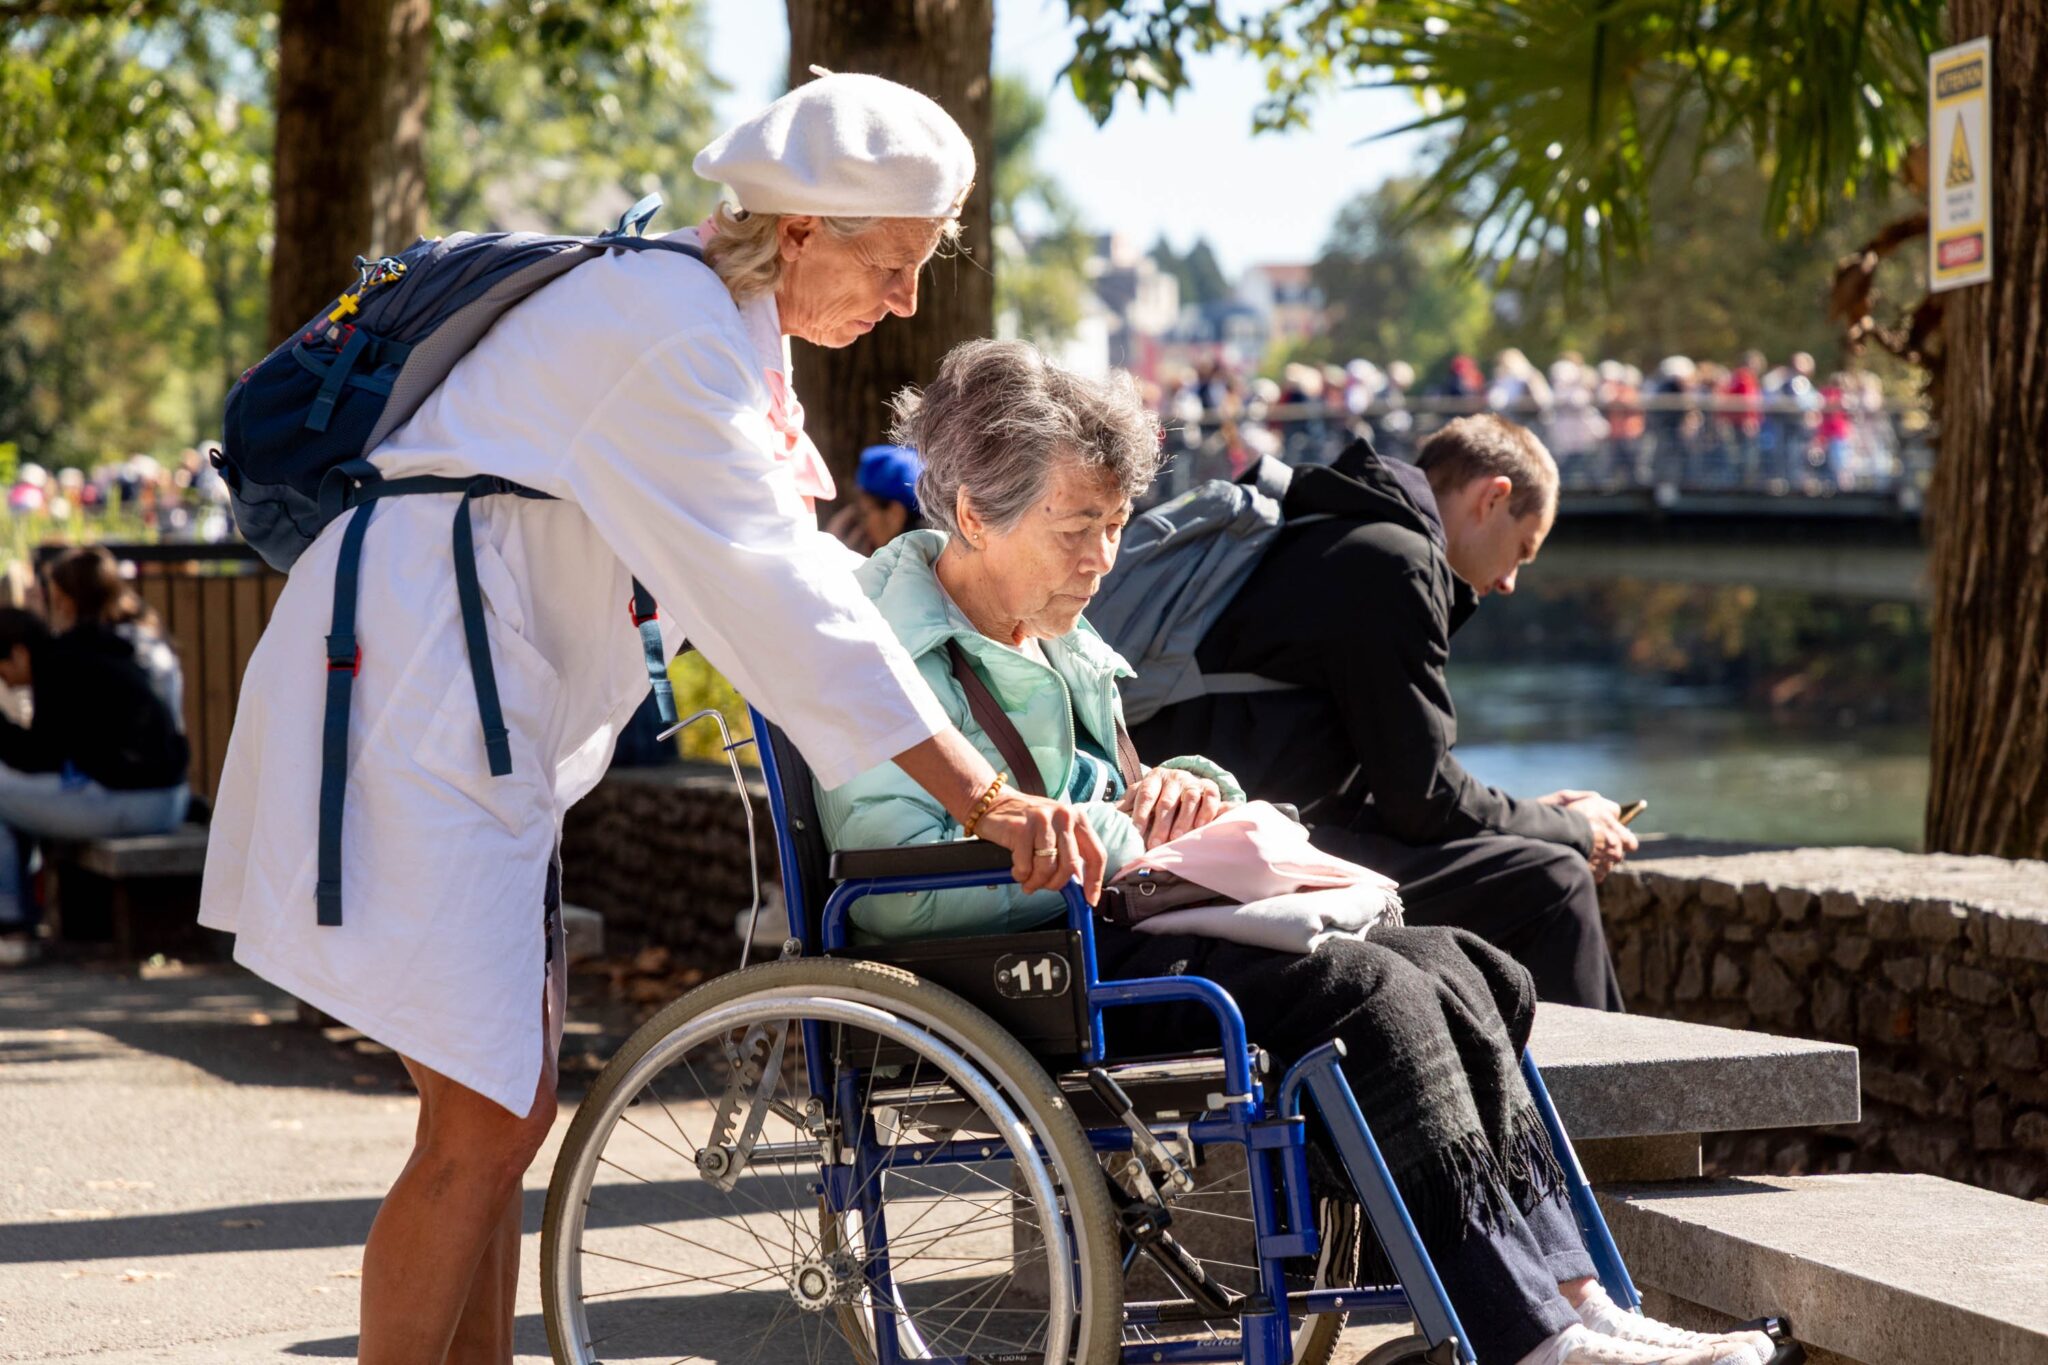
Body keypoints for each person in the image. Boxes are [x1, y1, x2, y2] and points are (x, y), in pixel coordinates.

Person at [198, 75, 1108, 1365]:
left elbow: (782, 578)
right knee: (486, 1121)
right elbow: (782, 590)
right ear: (798, 231)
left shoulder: (710, 317)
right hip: (417, 695)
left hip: (453, 694)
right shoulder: (670, 328)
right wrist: (983, 793)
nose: (905, 301)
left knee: (493, 1115)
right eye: (893, 265)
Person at [815, 339, 1773, 1365]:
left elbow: (1119, 790)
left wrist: (1188, 788)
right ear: (972, 516)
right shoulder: (880, 651)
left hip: (1107, 920)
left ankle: (1575, 1295)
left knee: (1461, 964)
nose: (1101, 558)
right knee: (1369, 993)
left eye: (1113, 526)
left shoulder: (1051, 629)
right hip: (1016, 960)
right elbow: (896, 893)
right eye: (1076, 530)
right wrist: (1117, 831)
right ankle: (1528, 1333)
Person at [1131, 418, 1635, 1010]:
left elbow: (1401, 784)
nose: (1508, 583)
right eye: (1521, 550)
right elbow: (1423, 804)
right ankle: (1588, 1100)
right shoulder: (1395, 562)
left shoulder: (1327, 528)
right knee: (1555, 881)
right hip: (1247, 860)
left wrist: (1535, 814)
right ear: (1492, 497)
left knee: (1540, 864)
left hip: (1211, 840)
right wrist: (1573, 830)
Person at [0, 601, 190, 962]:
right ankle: (16, 921)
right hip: (167, 798)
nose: (6, 681)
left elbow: (38, 758)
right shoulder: (81, 656)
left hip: (135, 802)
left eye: (2, 669)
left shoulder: (59, 667)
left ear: (20, 653)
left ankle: (10, 927)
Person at [826, 442, 924, 554]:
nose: (863, 527)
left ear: (894, 515)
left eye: (865, 514)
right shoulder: (935, 553)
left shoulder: (899, 566)